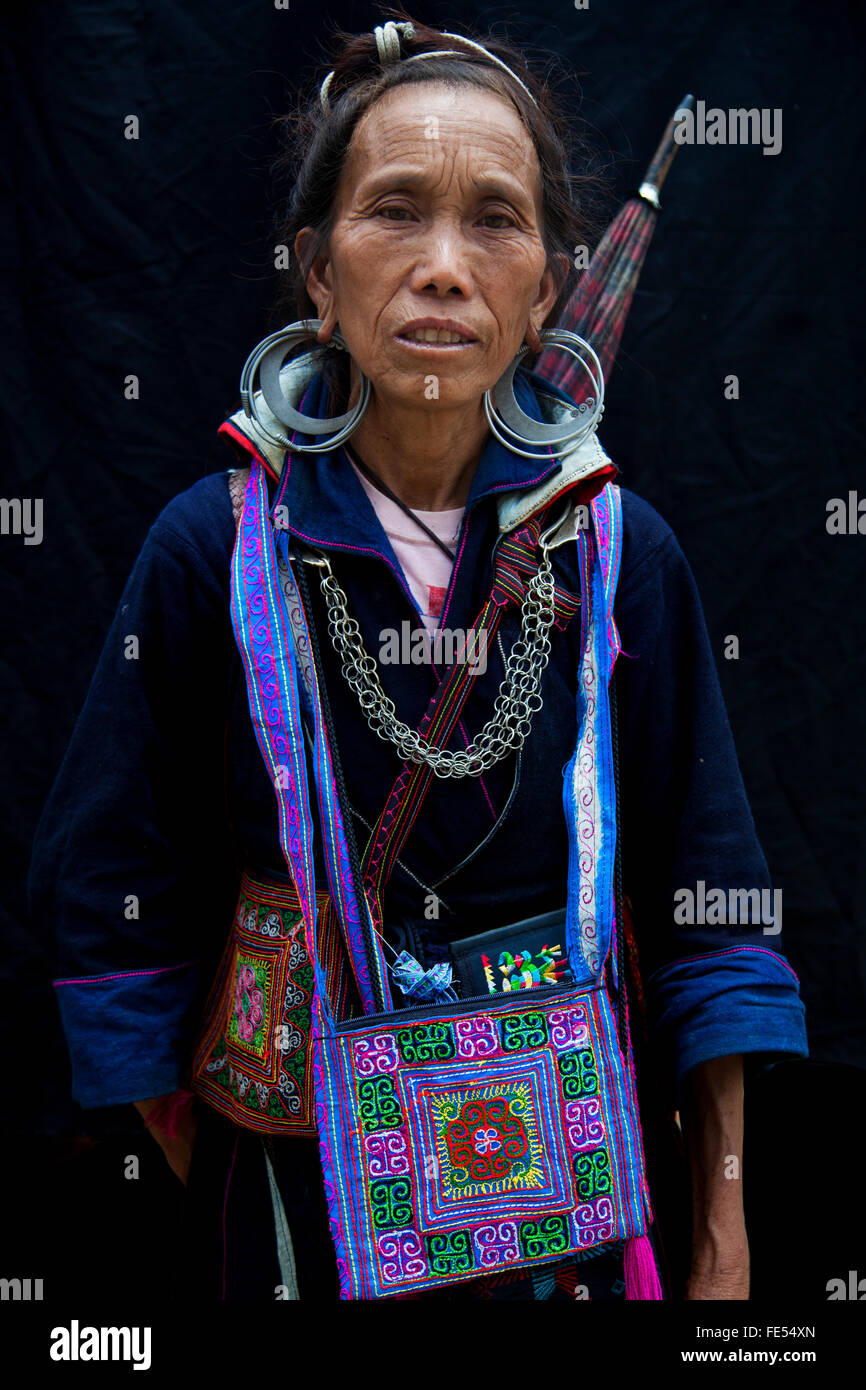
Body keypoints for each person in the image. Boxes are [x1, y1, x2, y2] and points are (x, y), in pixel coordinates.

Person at [28, 17, 808, 1301]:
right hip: (286, 1215)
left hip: (580, 1223)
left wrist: (720, 1241)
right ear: (317, 277)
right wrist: (234, 1169)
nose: (444, 266)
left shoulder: (617, 554)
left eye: (493, 221)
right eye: (394, 211)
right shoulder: (211, 551)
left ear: (545, 294)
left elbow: (708, 913)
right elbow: (112, 903)